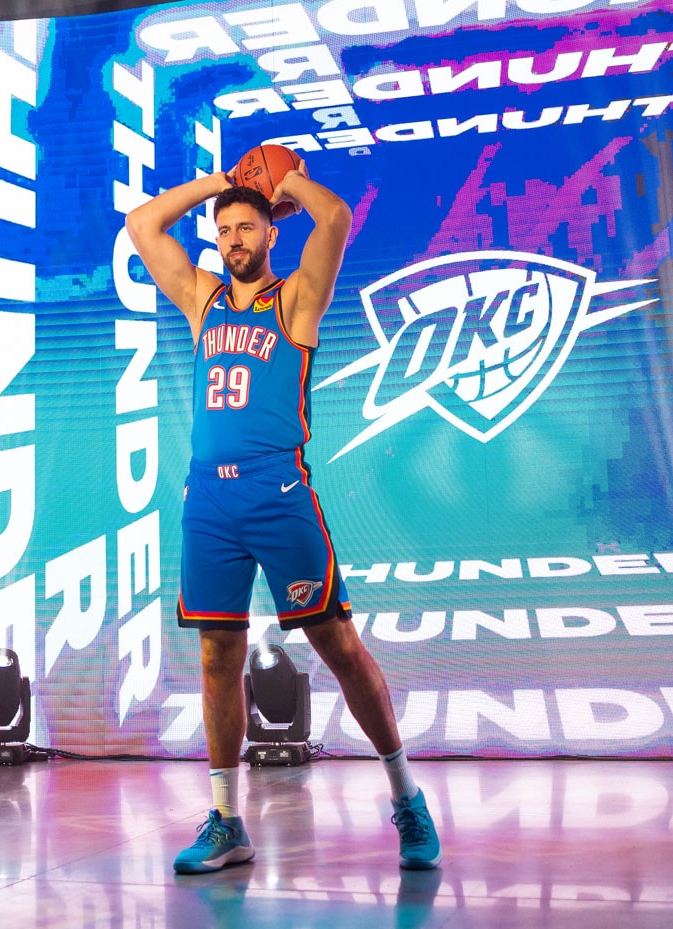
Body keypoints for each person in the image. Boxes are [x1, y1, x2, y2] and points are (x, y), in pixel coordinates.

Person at [124, 156, 441, 875]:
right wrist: (220, 184)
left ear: (270, 232)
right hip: (208, 499)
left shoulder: (294, 300)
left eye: (247, 225)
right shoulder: (203, 299)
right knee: (215, 657)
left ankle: (407, 800)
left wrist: (283, 178)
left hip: (278, 492)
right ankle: (227, 823)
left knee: (338, 645)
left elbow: (334, 218)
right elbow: (143, 224)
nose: (235, 237)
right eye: (225, 229)